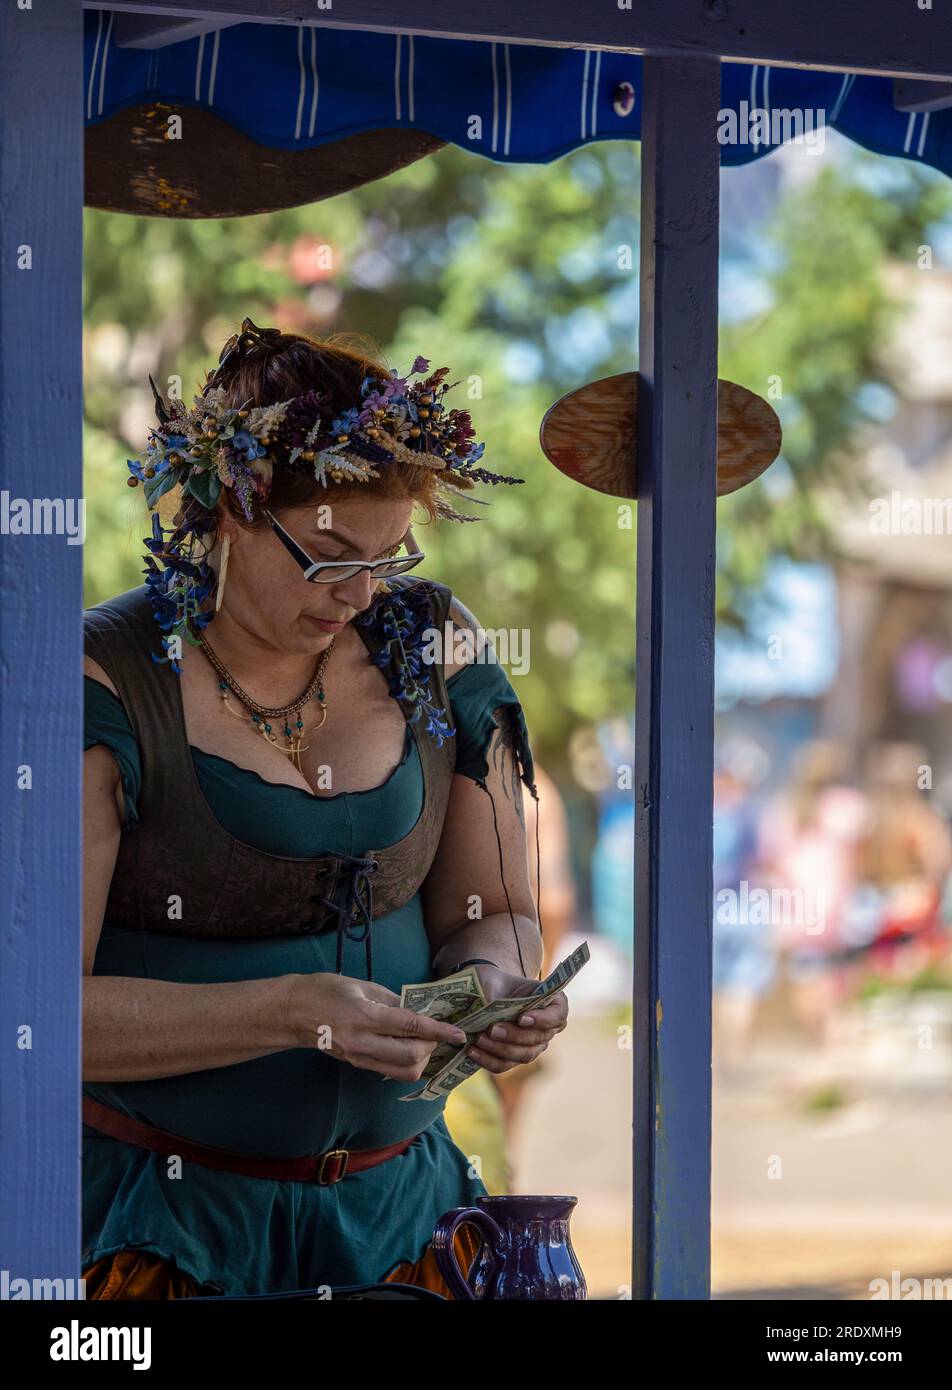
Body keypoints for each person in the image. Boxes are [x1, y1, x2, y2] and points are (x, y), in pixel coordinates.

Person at [82, 319, 569, 1299]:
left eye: (389, 558)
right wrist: (295, 1013)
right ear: (225, 504)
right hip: (161, 1234)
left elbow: (498, 912)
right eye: (324, 555)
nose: (357, 592)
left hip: (401, 1226)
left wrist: (496, 988)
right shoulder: (106, 679)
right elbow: (34, 1014)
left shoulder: (435, 647)